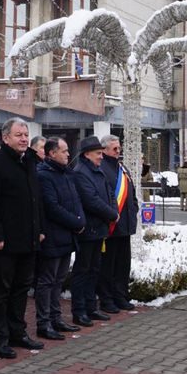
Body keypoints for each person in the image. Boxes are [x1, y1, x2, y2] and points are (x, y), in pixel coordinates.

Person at [0, 118, 45, 358]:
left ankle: (18, 333)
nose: (24, 139)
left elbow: (35, 199)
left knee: (20, 289)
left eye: (26, 134)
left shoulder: (28, 162)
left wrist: (40, 229)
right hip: (3, 243)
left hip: (27, 240)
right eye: (19, 135)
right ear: (5, 137)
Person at [34, 137, 84, 340]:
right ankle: (43, 323)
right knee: (46, 281)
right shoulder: (44, 175)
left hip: (66, 237)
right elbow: (52, 207)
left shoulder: (65, 173)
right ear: (52, 153)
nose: (68, 154)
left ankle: (56, 319)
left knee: (59, 280)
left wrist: (81, 220)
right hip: (53, 236)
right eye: (63, 151)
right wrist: (76, 222)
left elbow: (76, 200)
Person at [71, 136, 119, 327]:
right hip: (88, 230)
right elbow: (91, 200)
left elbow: (109, 195)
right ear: (87, 154)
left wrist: (113, 211)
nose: (101, 156)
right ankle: (79, 310)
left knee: (94, 270)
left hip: (99, 229)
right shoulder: (80, 173)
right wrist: (111, 214)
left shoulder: (96, 170)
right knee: (83, 271)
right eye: (98, 153)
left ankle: (91, 307)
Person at [99, 134, 139, 314]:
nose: (118, 151)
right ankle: (107, 299)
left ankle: (121, 295)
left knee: (123, 265)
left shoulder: (122, 168)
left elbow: (132, 192)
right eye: (115, 148)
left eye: (119, 148)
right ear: (105, 149)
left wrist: (135, 208)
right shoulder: (101, 168)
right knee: (109, 266)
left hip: (125, 226)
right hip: (111, 227)